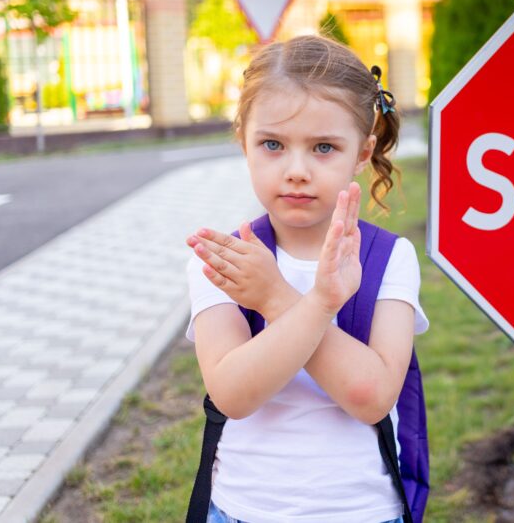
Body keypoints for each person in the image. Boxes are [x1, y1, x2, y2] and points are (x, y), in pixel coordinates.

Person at [184, 35, 429, 523]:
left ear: (363, 153)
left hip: (362, 512)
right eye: (272, 144)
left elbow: (373, 397)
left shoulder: (389, 260)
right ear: (243, 140)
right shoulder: (223, 261)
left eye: (323, 147)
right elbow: (232, 395)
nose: (296, 171)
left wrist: (278, 298)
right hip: (242, 511)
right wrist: (308, 302)